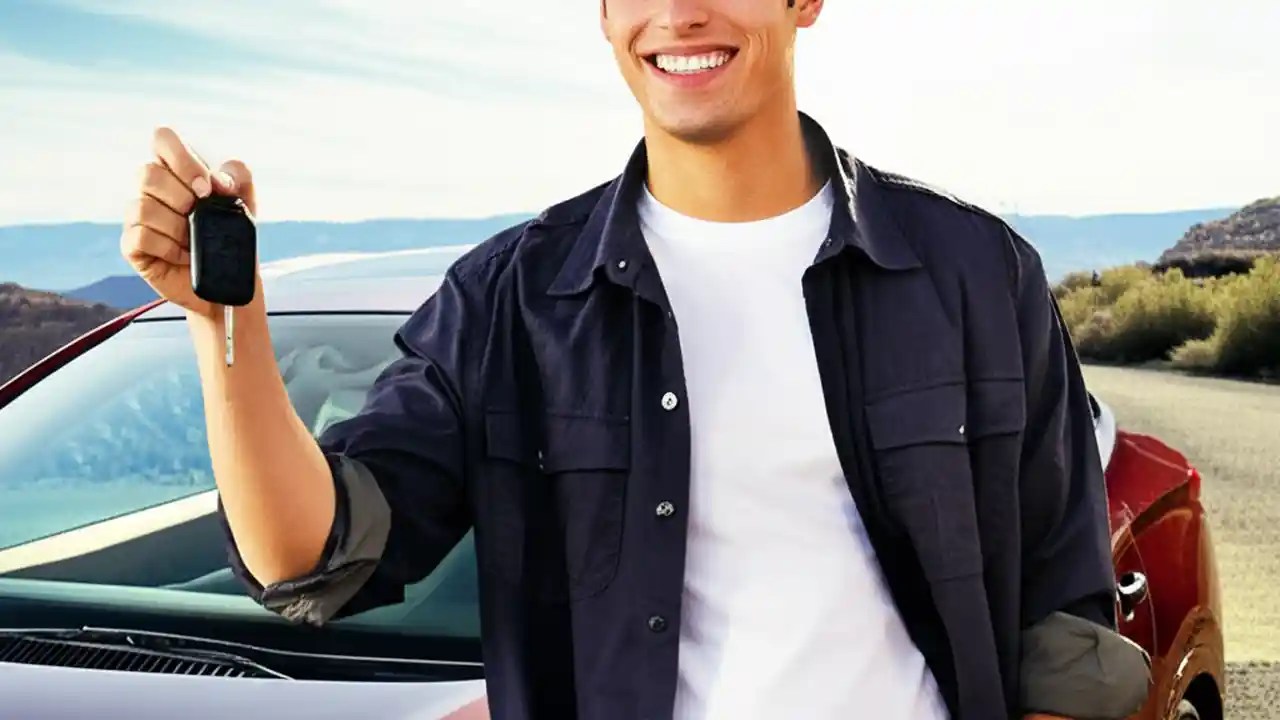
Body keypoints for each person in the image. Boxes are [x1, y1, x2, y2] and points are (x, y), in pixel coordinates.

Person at [120, 1, 1150, 718]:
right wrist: (231, 327)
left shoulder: (972, 272)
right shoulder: (512, 300)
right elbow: (311, 553)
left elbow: (1060, 618)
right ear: (604, 16)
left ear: (806, 1)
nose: (679, 13)